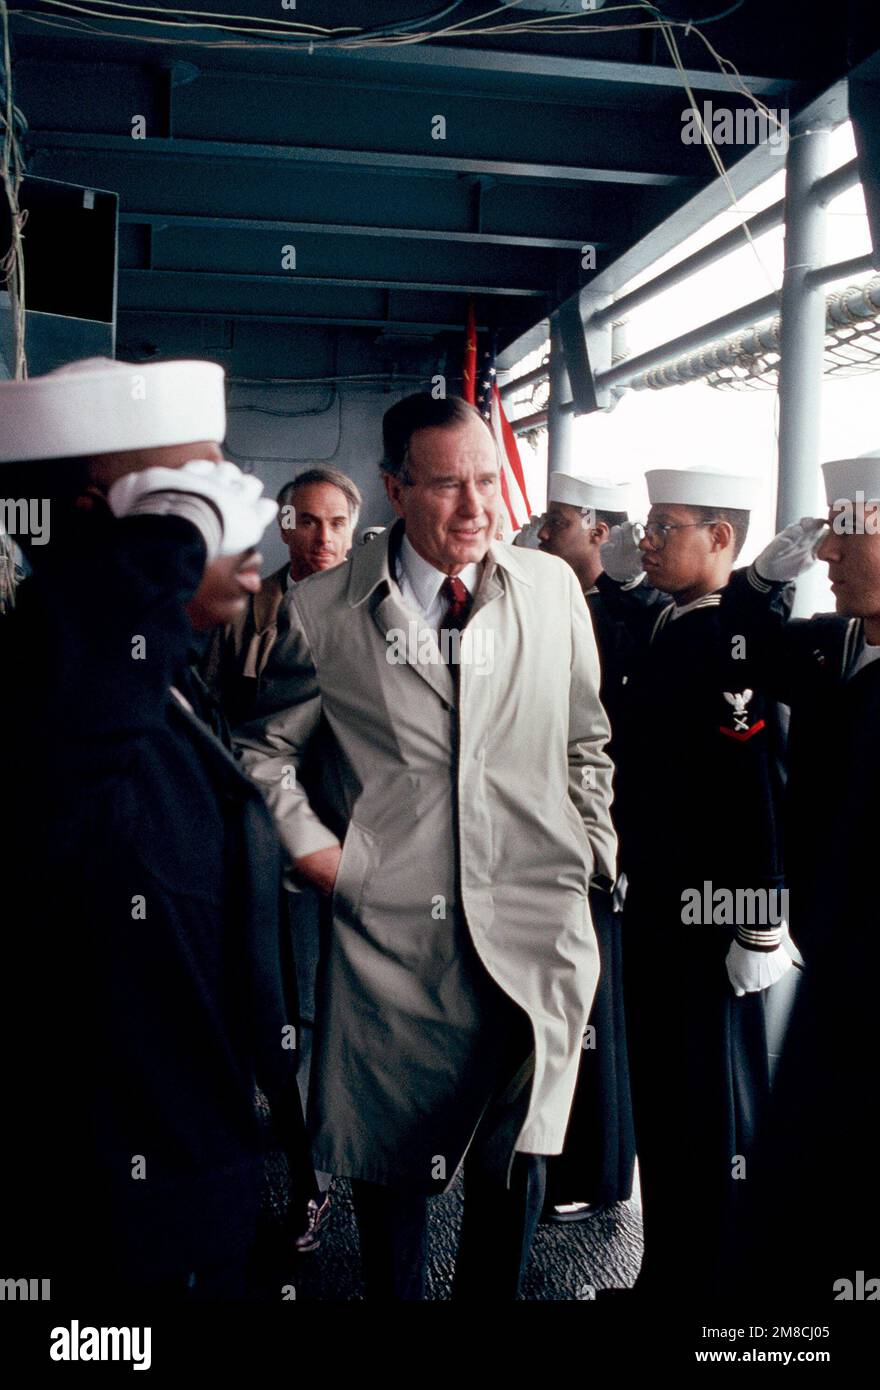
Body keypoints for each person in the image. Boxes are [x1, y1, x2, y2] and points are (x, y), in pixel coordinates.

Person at [237, 393, 617, 1301]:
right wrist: (325, 857)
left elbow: (585, 740)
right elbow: (262, 750)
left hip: (534, 930)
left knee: (514, 1164)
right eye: (447, 485)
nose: (477, 507)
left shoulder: (552, 591)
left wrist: (590, 854)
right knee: (392, 1168)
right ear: (395, 489)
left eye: (487, 481)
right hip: (395, 942)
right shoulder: (327, 610)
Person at [0, 356, 317, 1301]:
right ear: (111, 528)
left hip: (185, 1191)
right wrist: (168, 534)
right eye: (195, 493)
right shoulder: (49, 694)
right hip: (100, 1226)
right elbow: (77, 677)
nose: (241, 523)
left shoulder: (166, 687)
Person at [595, 466, 794, 1296]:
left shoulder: (723, 642)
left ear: (720, 538)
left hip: (708, 922)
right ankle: (665, 1277)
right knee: (669, 1108)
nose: (644, 539)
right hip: (659, 912)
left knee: (709, 1118)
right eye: (645, 524)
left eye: (664, 526)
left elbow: (754, 787)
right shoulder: (670, 625)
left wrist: (758, 921)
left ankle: (707, 1293)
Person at [716, 454, 880, 1298]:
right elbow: (739, 652)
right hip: (834, 969)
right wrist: (758, 579)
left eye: (846, 533)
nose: (828, 556)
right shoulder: (833, 647)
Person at [537, 472, 637, 1222]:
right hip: (563, 829)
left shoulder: (622, 616)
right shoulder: (552, 601)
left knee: (597, 1013)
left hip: (601, 833)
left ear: (599, 532)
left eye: (560, 523)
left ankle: (594, 1173)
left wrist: (605, 842)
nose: (544, 535)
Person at [203, 465, 361, 722]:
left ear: (350, 534)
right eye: (308, 522)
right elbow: (210, 706)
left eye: (337, 524)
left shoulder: (382, 606)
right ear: (285, 528)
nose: (324, 538)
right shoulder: (238, 611)